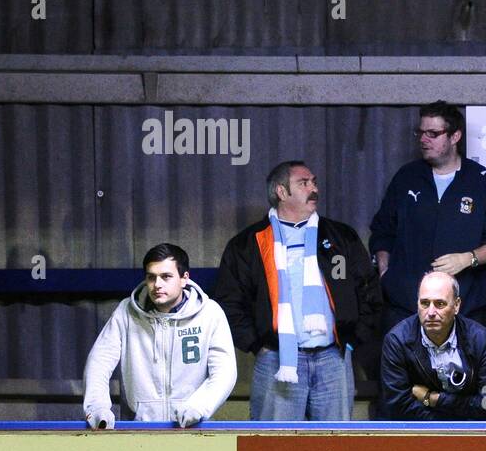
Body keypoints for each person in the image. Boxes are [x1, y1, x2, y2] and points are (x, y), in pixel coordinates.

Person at [214, 161, 381, 421]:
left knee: (334, 447)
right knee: (274, 449)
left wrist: (351, 339)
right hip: (277, 359)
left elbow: (368, 288)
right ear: (281, 192)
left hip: (332, 359)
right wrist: (258, 345)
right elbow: (229, 301)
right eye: (304, 183)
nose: (313, 188)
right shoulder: (248, 244)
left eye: (314, 182)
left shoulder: (340, 237)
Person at [369, 101, 486, 333]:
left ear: (455, 136)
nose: (423, 139)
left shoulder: (481, 181)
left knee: (463, 371)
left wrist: (468, 259)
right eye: (421, 132)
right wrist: (386, 273)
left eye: (433, 134)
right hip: (406, 310)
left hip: (463, 311)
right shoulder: (407, 177)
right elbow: (382, 230)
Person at [83, 243, 236, 428]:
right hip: (139, 430)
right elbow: (99, 362)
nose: (157, 285)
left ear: (184, 278)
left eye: (166, 277)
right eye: (151, 277)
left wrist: (198, 407)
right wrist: (98, 407)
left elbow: (224, 373)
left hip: (193, 428)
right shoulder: (126, 312)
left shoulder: (209, 313)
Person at [379, 271, 486, 422]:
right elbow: (397, 408)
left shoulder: (481, 340)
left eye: (440, 304)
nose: (431, 312)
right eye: (425, 303)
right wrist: (451, 419)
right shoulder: (397, 341)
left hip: (470, 435)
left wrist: (432, 399)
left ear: (456, 305)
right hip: (417, 436)